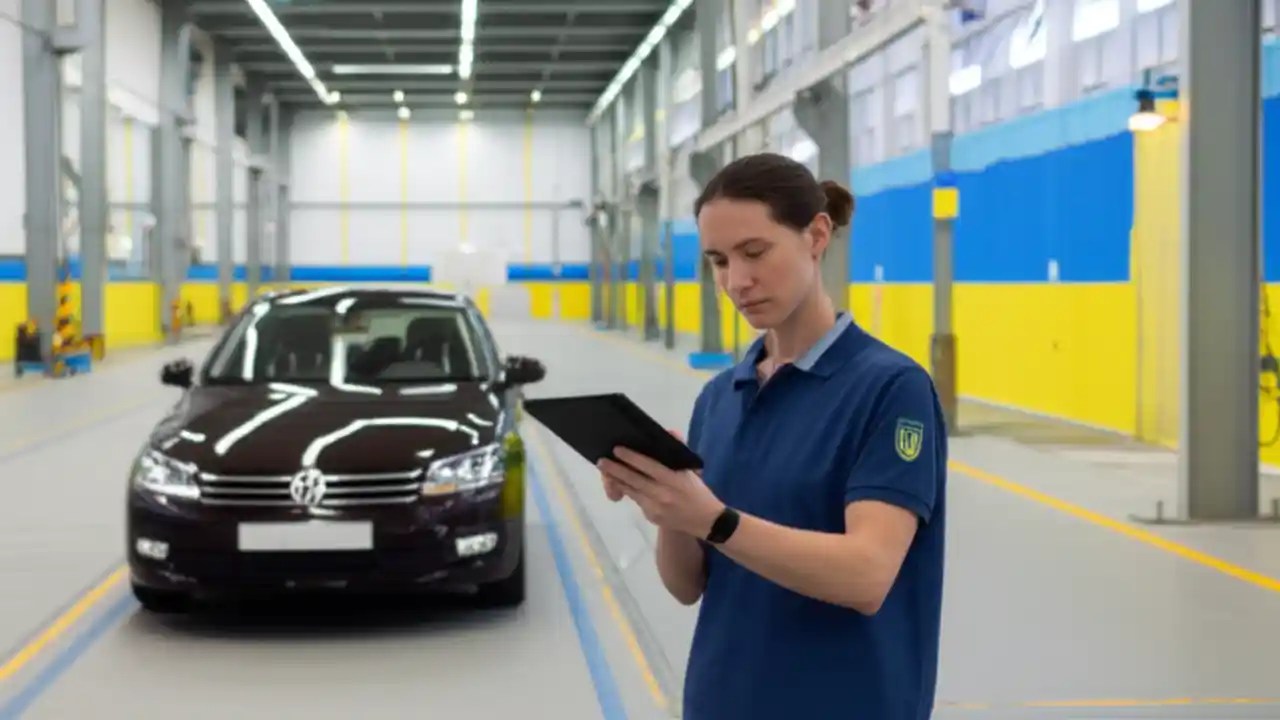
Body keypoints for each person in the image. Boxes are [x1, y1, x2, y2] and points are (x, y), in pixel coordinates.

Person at [597, 152, 947, 720]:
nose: (738, 281)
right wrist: (667, 503)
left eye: (755, 252)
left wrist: (714, 519)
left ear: (816, 234)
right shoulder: (719, 397)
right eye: (718, 261)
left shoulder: (890, 389)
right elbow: (687, 586)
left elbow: (867, 573)